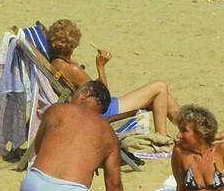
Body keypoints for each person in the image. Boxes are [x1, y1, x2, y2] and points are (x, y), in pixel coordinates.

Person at [19, 80, 134, 191]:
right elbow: (114, 187)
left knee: (53, 183)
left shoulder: (56, 110)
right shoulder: (108, 133)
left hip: (29, 188)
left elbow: (39, 148)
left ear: (85, 93)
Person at [44, 18, 182, 137]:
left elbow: (91, 89)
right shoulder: (73, 70)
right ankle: (162, 139)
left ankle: (190, 127)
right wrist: (101, 66)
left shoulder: (56, 63)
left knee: (163, 97)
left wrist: (73, 61)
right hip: (106, 110)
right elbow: (102, 97)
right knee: (160, 87)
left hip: (91, 106)